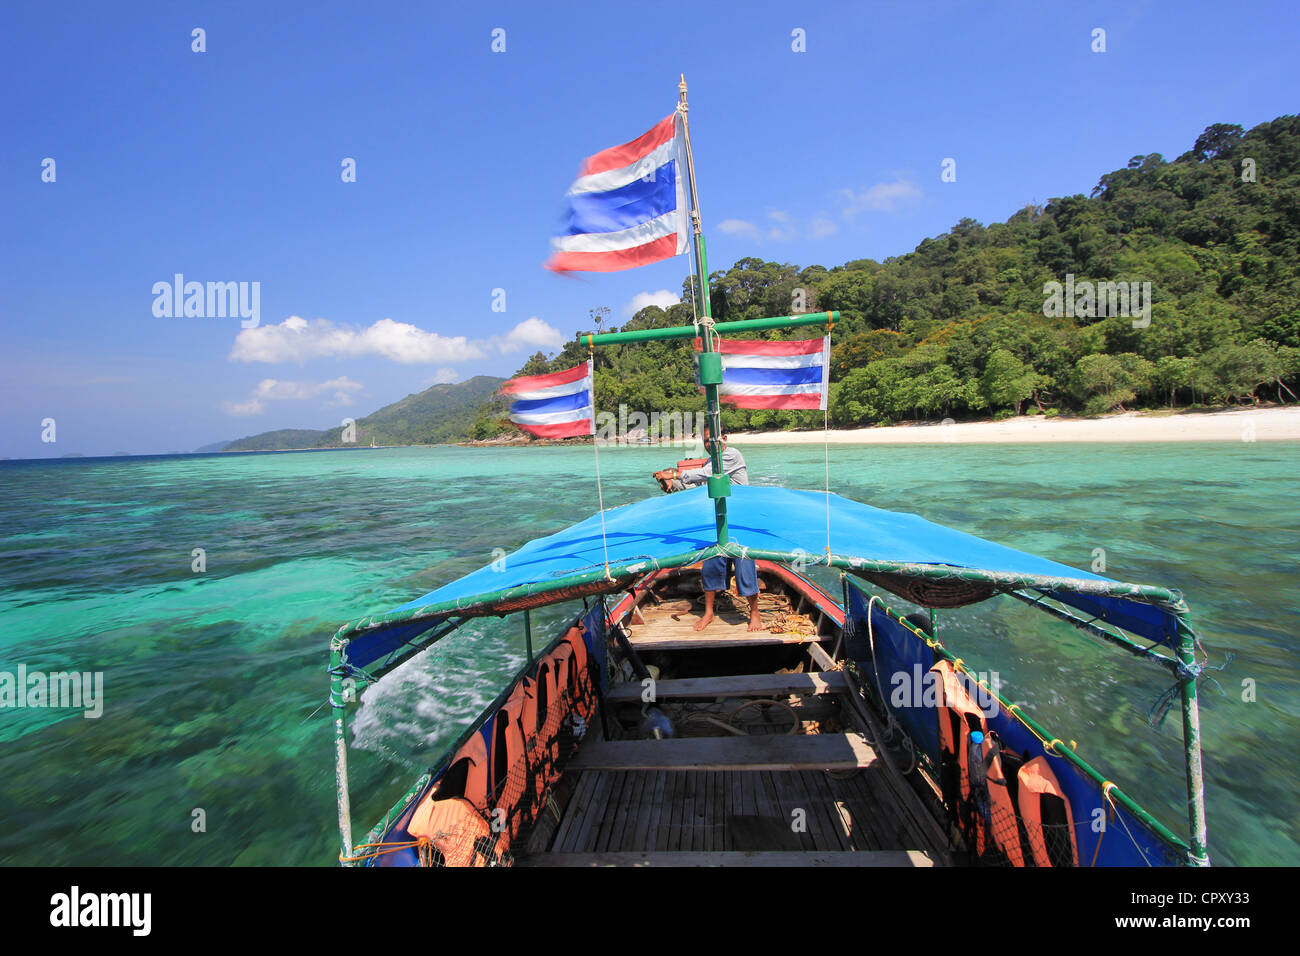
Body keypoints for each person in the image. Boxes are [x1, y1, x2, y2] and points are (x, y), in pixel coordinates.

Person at [673, 427, 762, 632]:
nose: (708, 444)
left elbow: (706, 474)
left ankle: (754, 612)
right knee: (711, 564)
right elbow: (699, 486)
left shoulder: (731, 455)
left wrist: (676, 474)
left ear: (724, 438)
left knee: (745, 566)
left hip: (740, 521)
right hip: (721, 521)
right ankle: (709, 612)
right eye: (705, 441)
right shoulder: (710, 461)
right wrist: (675, 484)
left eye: (712, 439)